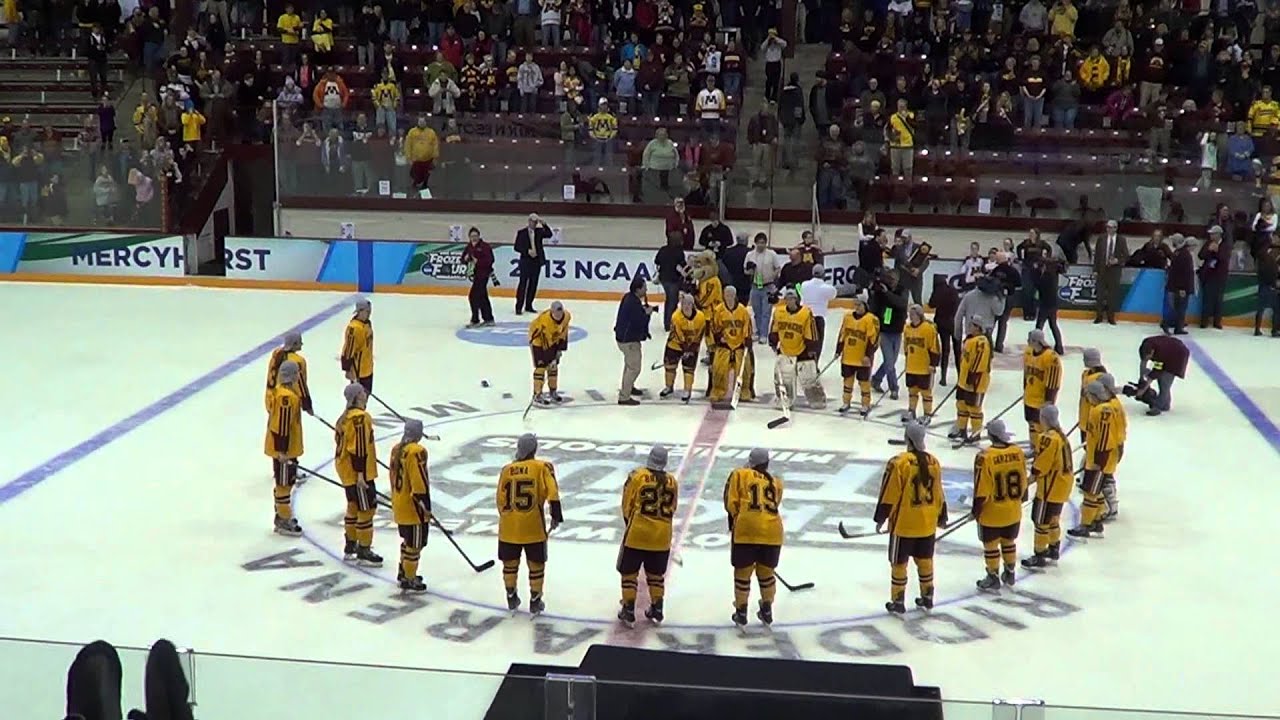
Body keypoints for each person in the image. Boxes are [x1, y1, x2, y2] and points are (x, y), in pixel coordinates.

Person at [875, 422, 947, 614]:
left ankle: (898, 601)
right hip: (927, 524)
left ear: (907, 439)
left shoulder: (899, 463)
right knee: (925, 560)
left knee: (899, 563)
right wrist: (942, 516)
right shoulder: (934, 461)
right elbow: (939, 492)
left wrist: (880, 518)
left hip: (904, 525)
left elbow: (889, 493)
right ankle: (928, 596)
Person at [497, 433, 563, 614]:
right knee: (536, 564)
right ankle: (535, 599)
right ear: (534, 449)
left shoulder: (506, 470)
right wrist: (556, 515)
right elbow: (553, 493)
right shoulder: (542, 467)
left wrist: (508, 518)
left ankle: (511, 596)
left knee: (510, 564)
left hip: (509, 528)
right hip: (533, 527)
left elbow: (500, 500)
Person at [617, 445, 678, 626]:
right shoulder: (672, 481)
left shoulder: (636, 476)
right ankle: (657, 608)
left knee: (628, 573)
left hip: (638, 532)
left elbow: (627, 503)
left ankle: (628, 609)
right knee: (656, 575)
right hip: (662, 536)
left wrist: (630, 523)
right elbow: (673, 507)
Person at [724, 447, 785, 628]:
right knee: (766, 573)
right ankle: (767, 609)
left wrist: (739, 519)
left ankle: (741, 611)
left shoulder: (739, 474)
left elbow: (730, 502)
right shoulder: (776, 482)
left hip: (747, 530)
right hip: (773, 532)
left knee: (743, 573)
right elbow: (775, 503)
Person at [972, 419, 1027, 590]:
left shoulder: (985, 457)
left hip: (992, 512)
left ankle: (993, 576)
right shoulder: (1018, 452)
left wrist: (976, 510)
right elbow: (1024, 478)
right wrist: (1022, 497)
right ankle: (1010, 572)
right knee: (1008, 541)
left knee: (991, 545)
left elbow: (982, 489)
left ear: (990, 435)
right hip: (1013, 510)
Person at [1069, 375, 1127, 536]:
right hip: (1109, 454)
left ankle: (1086, 525)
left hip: (1100, 458)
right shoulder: (1113, 405)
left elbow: (1104, 438)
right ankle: (1097, 519)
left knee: (1090, 492)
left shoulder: (1101, 411)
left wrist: (1098, 462)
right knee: (1096, 489)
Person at [335, 382, 382, 567]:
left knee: (353, 506)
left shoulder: (344, 417)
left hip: (346, 470)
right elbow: (359, 449)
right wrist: (361, 476)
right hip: (358, 473)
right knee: (366, 509)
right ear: (357, 397)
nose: (365, 393)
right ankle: (364, 549)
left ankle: (350, 546)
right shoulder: (360, 418)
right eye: (362, 392)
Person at [1022, 404, 1073, 570]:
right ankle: (1053, 547)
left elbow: (1043, 463)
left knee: (1041, 521)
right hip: (1062, 485)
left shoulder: (1048, 438)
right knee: (1053, 519)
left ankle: (1039, 554)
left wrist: (1031, 478)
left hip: (1049, 487)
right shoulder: (1061, 436)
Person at [389, 419, 431, 594]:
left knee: (408, 541)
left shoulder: (397, 449)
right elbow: (419, 482)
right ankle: (409, 577)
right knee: (415, 544)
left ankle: (404, 571)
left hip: (400, 504)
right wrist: (425, 505)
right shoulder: (417, 451)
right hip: (414, 507)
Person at [264, 360, 304, 537]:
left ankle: (282, 511)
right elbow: (282, 425)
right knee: (283, 483)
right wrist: (282, 451)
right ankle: (283, 518)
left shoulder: (283, 393)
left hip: (288, 448)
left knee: (288, 480)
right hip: (284, 450)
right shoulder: (286, 398)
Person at [769, 289, 822, 410]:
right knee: (784, 377)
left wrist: (812, 347)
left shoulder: (806, 313)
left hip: (803, 350)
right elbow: (774, 328)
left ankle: (817, 400)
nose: (789, 301)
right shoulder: (779, 312)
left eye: (792, 298)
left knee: (809, 378)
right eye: (787, 298)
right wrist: (773, 340)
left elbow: (811, 331)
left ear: (796, 299)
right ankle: (785, 399)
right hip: (785, 349)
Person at [950, 316, 993, 445]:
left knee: (974, 407)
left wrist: (971, 378)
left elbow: (979, 362)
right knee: (961, 405)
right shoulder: (969, 340)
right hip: (964, 380)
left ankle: (976, 432)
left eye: (972, 325)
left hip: (976, 382)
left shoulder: (982, 342)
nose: (969, 327)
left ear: (978, 328)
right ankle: (961, 429)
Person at [835, 293, 880, 417]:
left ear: (865, 305)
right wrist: (838, 350)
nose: (857, 307)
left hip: (862, 358)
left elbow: (874, 339)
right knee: (847, 381)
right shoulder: (848, 317)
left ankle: (865, 404)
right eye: (855, 304)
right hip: (848, 356)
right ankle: (846, 402)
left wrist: (868, 355)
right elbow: (842, 334)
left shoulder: (871, 319)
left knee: (864, 382)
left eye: (859, 304)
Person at [709, 286, 756, 403]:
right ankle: (718, 391)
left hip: (739, 345)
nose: (729, 297)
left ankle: (744, 391)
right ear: (723, 295)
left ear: (735, 296)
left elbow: (747, 327)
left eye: (731, 295)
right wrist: (719, 337)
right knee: (718, 369)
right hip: (724, 346)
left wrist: (747, 339)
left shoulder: (743, 311)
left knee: (745, 369)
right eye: (727, 295)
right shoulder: (718, 310)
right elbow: (714, 327)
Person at [615, 277, 657, 405]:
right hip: (629, 341)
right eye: (644, 287)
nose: (646, 290)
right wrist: (647, 313)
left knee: (629, 365)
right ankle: (624, 396)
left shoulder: (629, 298)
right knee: (634, 368)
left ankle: (628, 387)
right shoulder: (633, 303)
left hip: (622, 337)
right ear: (638, 289)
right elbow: (638, 322)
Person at [661, 294, 708, 403]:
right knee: (670, 366)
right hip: (674, 345)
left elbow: (700, 334)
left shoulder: (701, 317)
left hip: (692, 347)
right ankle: (669, 386)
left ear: (693, 305)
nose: (686, 306)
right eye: (683, 304)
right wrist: (685, 348)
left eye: (688, 304)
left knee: (689, 368)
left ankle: (687, 389)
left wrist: (693, 348)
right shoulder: (676, 316)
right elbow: (678, 334)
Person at [870, 269, 908, 399]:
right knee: (890, 361)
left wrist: (887, 293)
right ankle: (894, 388)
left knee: (891, 360)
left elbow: (901, 304)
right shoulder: (880, 291)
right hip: (884, 331)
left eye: (893, 279)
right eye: (889, 279)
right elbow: (874, 308)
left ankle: (876, 378)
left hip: (897, 330)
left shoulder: (902, 290)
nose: (891, 282)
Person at [1128, 335, 1189, 416]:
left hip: (1178, 356)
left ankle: (1158, 407)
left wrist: (1143, 389)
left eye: (1150, 357)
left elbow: (1155, 373)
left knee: (1164, 382)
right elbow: (1143, 362)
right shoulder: (1145, 346)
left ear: (1153, 351)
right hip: (1171, 349)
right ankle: (1165, 403)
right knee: (1161, 379)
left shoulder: (1160, 353)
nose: (1148, 359)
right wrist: (1141, 379)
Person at [1022, 329, 1063, 448]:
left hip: (1041, 400)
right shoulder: (1028, 352)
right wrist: (1025, 389)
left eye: (1029, 339)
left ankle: (1042, 447)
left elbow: (1053, 381)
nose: (1027, 342)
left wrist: (1049, 400)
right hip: (1030, 396)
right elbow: (1026, 373)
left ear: (1037, 341)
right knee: (1031, 423)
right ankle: (1034, 446)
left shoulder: (1051, 357)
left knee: (1041, 426)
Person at [902, 304, 941, 422]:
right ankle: (911, 411)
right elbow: (906, 347)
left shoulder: (928, 329)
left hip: (924, 367)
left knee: (926, 393)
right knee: (912, 390)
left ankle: (927, 414)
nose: (911, 316)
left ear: (919, 315)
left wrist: (933, 364)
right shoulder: (907, 329)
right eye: (910, 314)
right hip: (911, 366)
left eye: (913, 314)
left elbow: (934, 348)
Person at [528, 301, 571, 405]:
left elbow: (564, 333)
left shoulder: (567, 317)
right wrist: (550, 358)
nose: (559, 315)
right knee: (541, 367)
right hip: (538, 342)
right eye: (556, 313)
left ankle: (553, 391)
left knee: (553, 367)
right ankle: (537, 394)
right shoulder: (545, 321)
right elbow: (545, 342)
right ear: (552, 312)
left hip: (553, 341)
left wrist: (560, 349)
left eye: (560, 313)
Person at [744, 233, 784, 343]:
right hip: (755, 285)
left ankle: (763, 334)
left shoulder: (772, 254)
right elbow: (745, 270)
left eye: (763, 243)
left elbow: (777, 268)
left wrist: (773, 276)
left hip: (768, 285)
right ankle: (757, 332)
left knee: (766, 311)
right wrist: (750, 271)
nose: (761, 245)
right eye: (759, 243)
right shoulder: (750, 255)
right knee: (757, 311)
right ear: (755, 243)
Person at [264, 331, 313, 417]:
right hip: (287, 401)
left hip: (271, 398)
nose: (302, 344)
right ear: (294, 344)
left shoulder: (276, 354)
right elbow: (301, 386)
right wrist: (307, 405)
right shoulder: (297, 361)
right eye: (299, 342)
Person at [1093, 219, 1130, 325]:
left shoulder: (1121, 240)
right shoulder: (1101, 238)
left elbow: (1126, 256)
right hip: (1102, 271)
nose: (1108, 229)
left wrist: (1118, 261)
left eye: (1110, 227)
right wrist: (1095, 270)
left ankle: (1111, 317)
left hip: (1114, 272)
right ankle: (1099, 316)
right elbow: (1097, 256)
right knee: (1099, 295)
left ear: (1115, 228)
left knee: (1112, 296)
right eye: (1107, 227)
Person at [514, 213, 552, 315]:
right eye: (532, 221)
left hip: (536, 262)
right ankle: (518, 306)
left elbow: (549, 234)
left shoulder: (539, 232)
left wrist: (543, 223)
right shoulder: (521, 233)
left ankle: (529, 305)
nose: (534, 224)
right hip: (525, 261)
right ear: (528, 221)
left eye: (536, 222)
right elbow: (516, 247)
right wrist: (527, 251)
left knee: (533, 284)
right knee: (523, 284)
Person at [798, 264, 837, 360]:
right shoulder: (828, 288)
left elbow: (800, 290)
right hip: (818, 317)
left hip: (804, 316)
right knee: (817, 343)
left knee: (804, 341)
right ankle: (814, 363)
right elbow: (833, 294)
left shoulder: (804, 284)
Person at [461, 226, 496, 328]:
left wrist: (479, 262)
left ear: (479, 236)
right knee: (482, 297)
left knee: (473, 296)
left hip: (483, 275)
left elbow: (490, 260)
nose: (474, 238)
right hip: (475, 275)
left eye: (475, 236)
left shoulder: (485, 246)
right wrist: (465, 259)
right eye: (472, 236)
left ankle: (475, 319)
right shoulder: (469, 247)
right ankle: (489, 318)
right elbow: (462, 259)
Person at [929, 276, 961, 386]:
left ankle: (943, 378)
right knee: (958, 351)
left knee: (945, 350)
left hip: (942, 322)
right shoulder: (953, 290)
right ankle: (960, 376)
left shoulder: (937, 291)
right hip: (954, 322)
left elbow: (931, 304)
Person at [654, 231, 689, 331]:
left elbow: (657, 261)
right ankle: (669, 323)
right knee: (672, 301)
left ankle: (667, 322)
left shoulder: (663, 250)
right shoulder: (679, 252)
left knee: (669, 300)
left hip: (664, 279)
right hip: (674, 279)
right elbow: (682, 264)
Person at [1198, 225, 1231, 329]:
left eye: (1213, 233)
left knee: (1218, 299)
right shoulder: (1208, 243)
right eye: (1211, 234)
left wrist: (1217, 251)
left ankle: (1217, 322)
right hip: (1208, 275)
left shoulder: (1225, 245)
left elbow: (1224, 258)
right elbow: (1201, 255)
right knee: (1207, 299)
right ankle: (1204, 321)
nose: (1211, 235)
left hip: (1220, 276)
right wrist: (1209, 250)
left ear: (1218, 234)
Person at [1162, 235, 1196, 335]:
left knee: (1177, 308)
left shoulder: (1179, 253)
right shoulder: (1184, 254)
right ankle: (1172, 325)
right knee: (1179, 308)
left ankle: (1177, 326)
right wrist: (1182, 288)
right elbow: (1184, 273)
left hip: (1176, 286)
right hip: (1180, 288)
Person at [341, 298, 374, 393]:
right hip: (359, 372)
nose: (369, 313)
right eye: (367, 311)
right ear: (359, 311)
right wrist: (347, 369)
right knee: (357, 400)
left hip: (368, 369)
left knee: (365, 398)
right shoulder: (354, 328)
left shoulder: (367, 324)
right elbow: (348, 350)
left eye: (370, 311)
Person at [1078, 348, 1108, 445]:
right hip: (1084, 417)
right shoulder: (1085, 374)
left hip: (1093, 420)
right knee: (1085, 446)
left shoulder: (1101, 377)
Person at [892, 230, 930, 304]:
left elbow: (926, 262)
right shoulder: (898, 248)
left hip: (916, 280)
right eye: (902, 237)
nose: (903, 239)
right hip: (903, 280)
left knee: (917, 301)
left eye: (905, 238)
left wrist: (919, 270)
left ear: (910, 237)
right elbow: (896, 264)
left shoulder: (919, 248)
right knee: (903, 301)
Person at [1257, 236, 1280, 337]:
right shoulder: (1264, 253)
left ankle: (1274, 330)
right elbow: (1262, 270)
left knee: (1276, 309)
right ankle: (1258, 329)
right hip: (1267, 284)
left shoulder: (1271, 253)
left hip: (1273, 285)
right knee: (1262, 308)